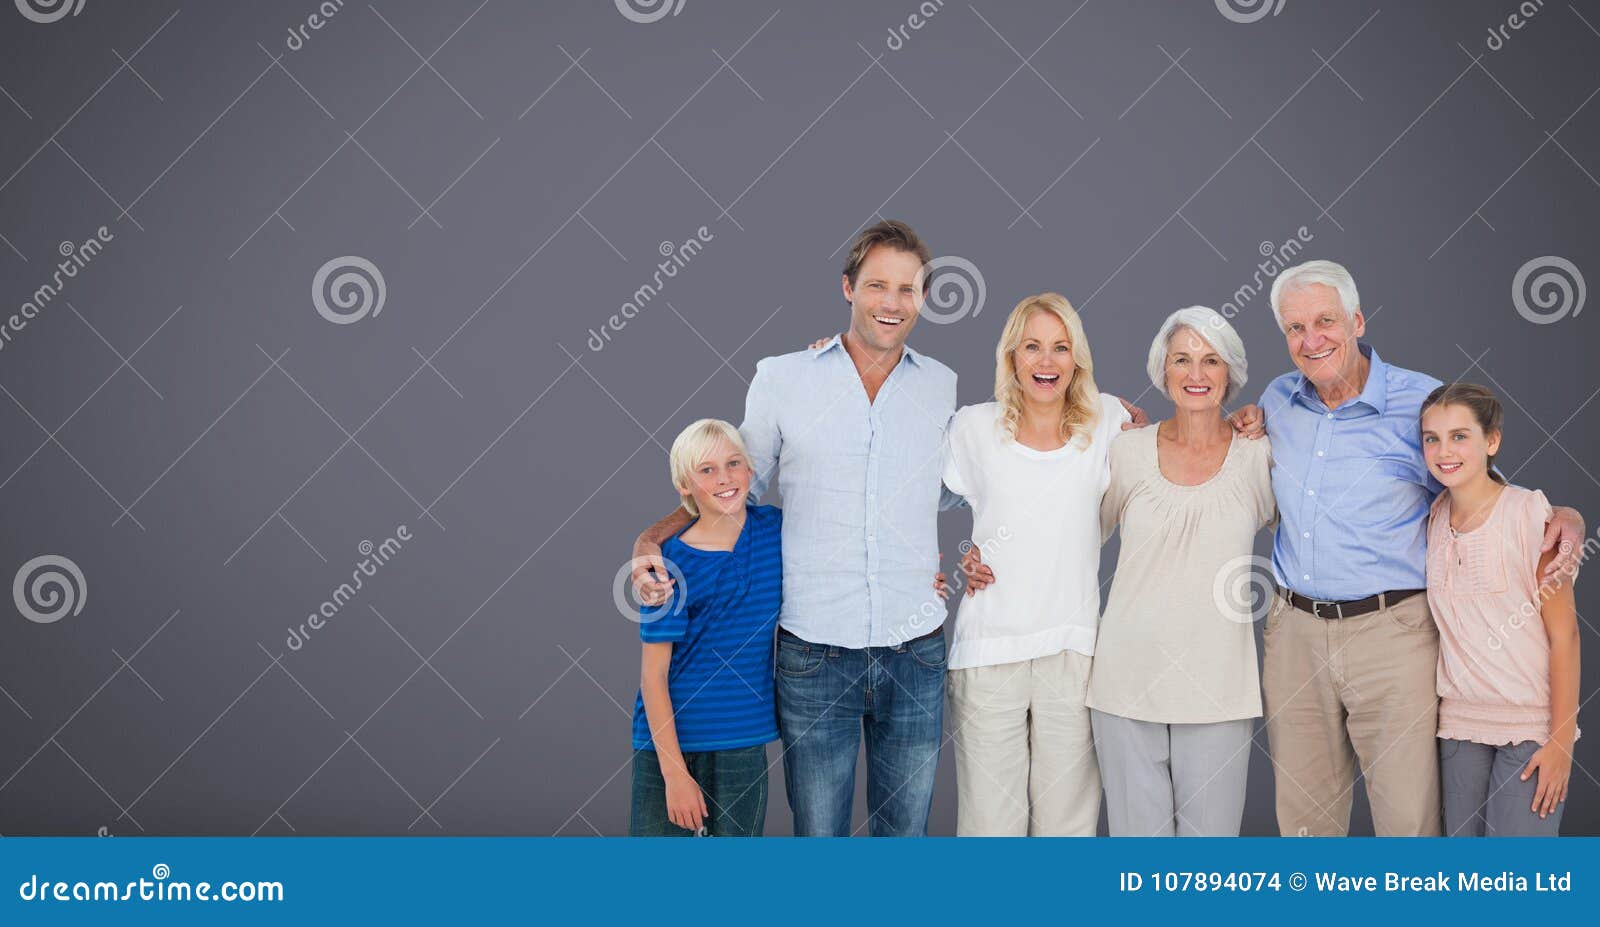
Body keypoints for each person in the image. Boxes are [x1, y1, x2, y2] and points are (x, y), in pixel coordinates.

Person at [631, 221, 978, 836]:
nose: (892, 302)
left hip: (916, 649)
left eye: (907, 288)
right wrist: (649, 540)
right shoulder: (784, 378)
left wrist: (1103, 423)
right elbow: (733, 489)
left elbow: (957, 487)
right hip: (815, 655)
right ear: (848, 288)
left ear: (924, 297)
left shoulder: (940, 384)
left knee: (906, 838)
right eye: (876, 285)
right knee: (819, 840)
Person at [1251, 259, 1586, 836]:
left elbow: (1482, 493)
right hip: (1294, 634)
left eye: (1325, 321)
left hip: (1394, 634)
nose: (1311, 340)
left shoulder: (1419, 400)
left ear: (1357, 321)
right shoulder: (1277, 400)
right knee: (1304, 825)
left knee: (1408, 823)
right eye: (1294, 328)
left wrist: (1565, 514)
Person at [938, 293, 1129, 835]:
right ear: (1012, 357)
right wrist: (961, 551)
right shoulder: (973, 427)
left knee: (1067, 828)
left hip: (1073, 650)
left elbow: (1169, 467)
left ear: (1077, 358)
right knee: (989, 827)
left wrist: (1246, 422)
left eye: (1060, 347)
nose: (1046, 361)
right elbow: (905, 491)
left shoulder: (1109, 422)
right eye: (1032, 347)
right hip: (988, 651)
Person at [1087, 307, 1275, 836]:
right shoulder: (1126, 451)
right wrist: (984, 554)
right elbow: (1072, 539)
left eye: (1211, 360)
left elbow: (1311, 535)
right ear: (1163, 370)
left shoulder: (1257, 456)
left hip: (1219, 690)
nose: (1196, 374)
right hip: (1125, 685)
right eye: (1182, 360)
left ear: (1230, 373)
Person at [1419, 383, 1580, 836]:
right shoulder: (1434, 517)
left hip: (1529, 727)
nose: (1444, 451)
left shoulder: (1529, 516)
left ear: (1492, 441)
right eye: (1432, 438)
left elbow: (1565, 636)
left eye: (1460, 436)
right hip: (1458, 727)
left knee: (1515, 872)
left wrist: (1561, 742)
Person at [630, 420, 782, 836]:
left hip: (743, 740)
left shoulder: (776, 532)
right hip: (672, 744)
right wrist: (675, 775)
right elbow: (653, 677)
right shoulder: (667, 564)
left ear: (751, 469)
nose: (724, 478)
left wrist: (921, 574)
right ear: (684, 485)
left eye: (733, 463)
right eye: (707, 470)